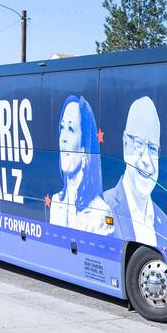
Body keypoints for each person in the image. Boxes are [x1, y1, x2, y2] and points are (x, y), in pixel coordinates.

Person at [104, 95, 167, 249]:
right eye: (139, 144)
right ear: (125, 144)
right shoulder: (105, 206)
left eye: (153, 148)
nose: (146, 160)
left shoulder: (166, 226)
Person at [50, 94, 111, 233]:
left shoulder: (100, 213)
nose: (63, 138)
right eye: (62, 128)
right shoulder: (56, 202)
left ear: (85, 150)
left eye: (71, 129)